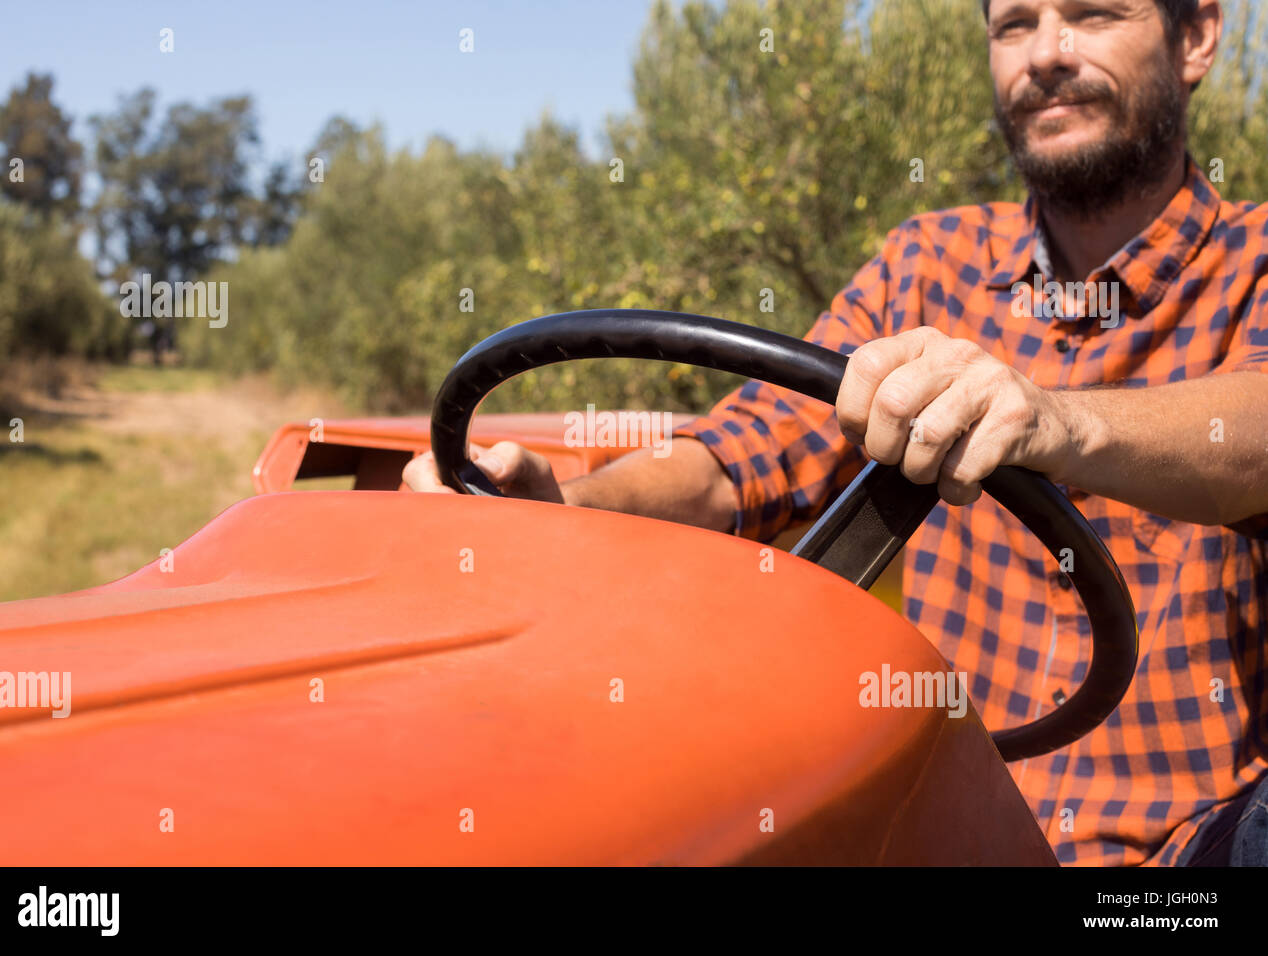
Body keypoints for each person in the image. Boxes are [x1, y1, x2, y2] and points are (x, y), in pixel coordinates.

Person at [405, 0, 1268, 866]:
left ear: (1194, 38)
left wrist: (1062, 421)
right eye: (1013, 25)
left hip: (1181, 863)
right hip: (930, 835)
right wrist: (561, 510)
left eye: (1091, 13)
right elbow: (737, 459)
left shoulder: (1255, 260)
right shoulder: (927, 265)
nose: (1046, 53)